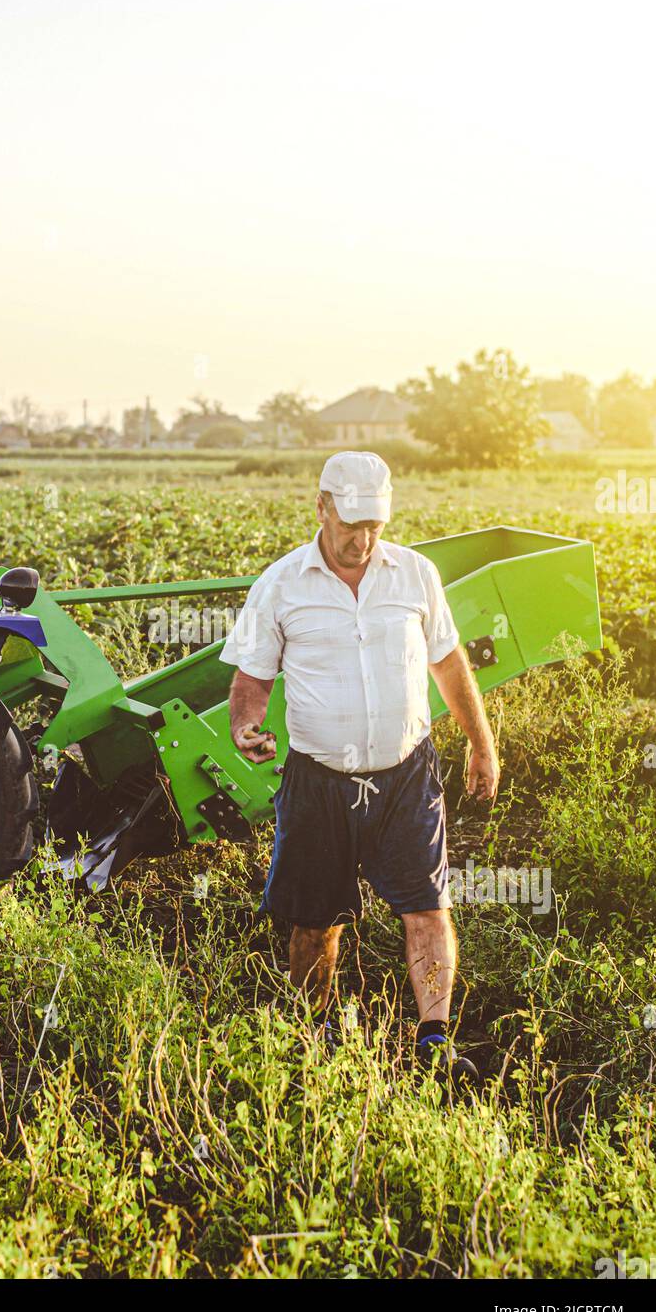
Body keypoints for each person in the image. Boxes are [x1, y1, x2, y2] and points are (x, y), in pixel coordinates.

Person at [220, 452, 499, 1080]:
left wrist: (483, 746)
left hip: (407, 773)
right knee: (314, 918)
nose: (362, 540)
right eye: (350, 525)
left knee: (428, 908)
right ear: (321, 507)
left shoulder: (415, 575)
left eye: (374, 525)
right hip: (319, 780)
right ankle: (312, 1036)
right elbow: (251, 679)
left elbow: (450, 666)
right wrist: (246, 725)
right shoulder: (282, 584)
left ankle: (434, 1039)